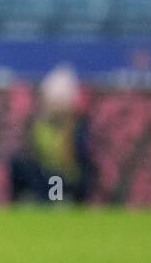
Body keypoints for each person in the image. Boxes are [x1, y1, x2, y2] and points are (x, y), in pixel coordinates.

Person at [10, 64, 95, 203]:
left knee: (56, 177)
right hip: (44, 173)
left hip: (65, 177)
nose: (53, 105)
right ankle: (26, 201)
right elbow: (35, 153)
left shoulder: (76, 127)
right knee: (21, 166)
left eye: (58, 102)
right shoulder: (40, 124)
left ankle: (56, 201)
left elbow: (78, 160)